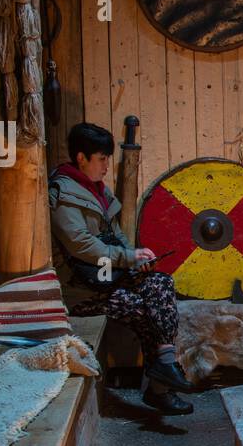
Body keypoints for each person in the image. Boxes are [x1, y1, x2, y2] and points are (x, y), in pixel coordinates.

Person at [48, 122, 193, 415]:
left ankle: (164, 365)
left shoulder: (97, 190)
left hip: (106, 278)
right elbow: (81, 245)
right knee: (144, 309)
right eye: (101, 158)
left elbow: (115, 235)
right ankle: (160, 387)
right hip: (81, 288)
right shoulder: (62, 193)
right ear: (81, 158)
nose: (105, 165)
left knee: (160, 283)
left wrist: (135, 258)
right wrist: (127, 258)